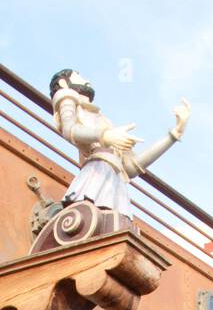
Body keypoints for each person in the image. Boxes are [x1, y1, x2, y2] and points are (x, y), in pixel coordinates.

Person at [49, 69, 190, 219]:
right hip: (97, 172)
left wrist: (174, 134)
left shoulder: (102, 120)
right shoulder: (67, 98)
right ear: (64, 83)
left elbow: (131, 166)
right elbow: (70, 129)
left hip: (114, 179)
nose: (86, 80)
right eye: (79, 76)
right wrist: (105, 136)